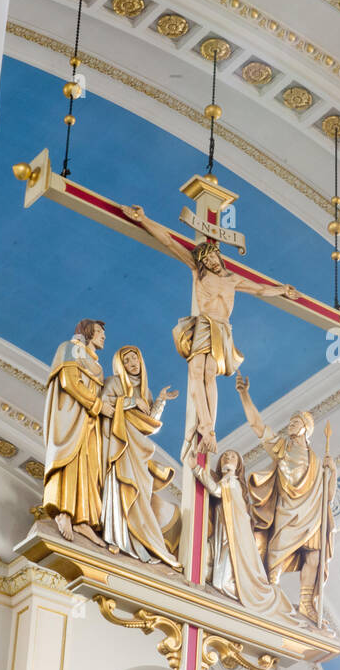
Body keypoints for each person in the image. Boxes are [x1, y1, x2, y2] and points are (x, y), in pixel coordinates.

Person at [122, 204, 298, 460]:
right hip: (203, 325)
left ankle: (209, 428)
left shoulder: (232, 279)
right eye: (205, 259)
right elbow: (170, 242)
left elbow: (260, 289)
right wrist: (144, 219)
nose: (210, 261)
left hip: (222, 329)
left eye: (212, 256)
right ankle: (205, 426)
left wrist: (282, 290)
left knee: (208, 374)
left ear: (219, 256)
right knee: (196, 372)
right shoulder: (197, 271)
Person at [234, 374, 336, 625]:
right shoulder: (281, 447)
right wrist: (244, 395)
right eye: (290, 422)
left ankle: (305, 604)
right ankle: (268, 596)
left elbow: (327, 497)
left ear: (306, 428)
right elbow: (258, 426)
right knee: (275, 557)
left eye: (295, 422)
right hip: (286, 512)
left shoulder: (317, 460)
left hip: (311, 513)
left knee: (313, 554)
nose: (290, 425)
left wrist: (332, 471)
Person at [99, 345, 182, 568]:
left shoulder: (145, 392)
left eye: (134, 358)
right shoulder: (113, 383)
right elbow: (102, 404)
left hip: (138, 447)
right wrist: (130, 401)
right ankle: (115, 536)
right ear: (120, 365)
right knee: (119, 486)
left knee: (140, 491)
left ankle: (137, 540)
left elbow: (150, 424)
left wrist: (161, 401)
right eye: (126, 361)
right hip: (119, 443)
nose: (131, 363)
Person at [192, 449, 297, 623]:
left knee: (223, 582)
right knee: (203, 566)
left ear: (238, 465)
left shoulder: (232, 481)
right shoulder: (228, 480)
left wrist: (195, 468)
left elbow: (216, 490)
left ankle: (246, 595)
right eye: (225, 456)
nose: (227, 457)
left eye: (233, 456)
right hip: (222, 537)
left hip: (232, 540)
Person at [42, 318, 108, 547]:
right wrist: (97, 405)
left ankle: (83, 519)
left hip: (89, 422)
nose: (103, 336)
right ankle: (64, 512)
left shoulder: (96, 364)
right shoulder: (69, 349)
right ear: (88, 332)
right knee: (69, 461)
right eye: (99, 331)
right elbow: (69, 381)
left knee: (89, 467)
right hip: (71, 416)